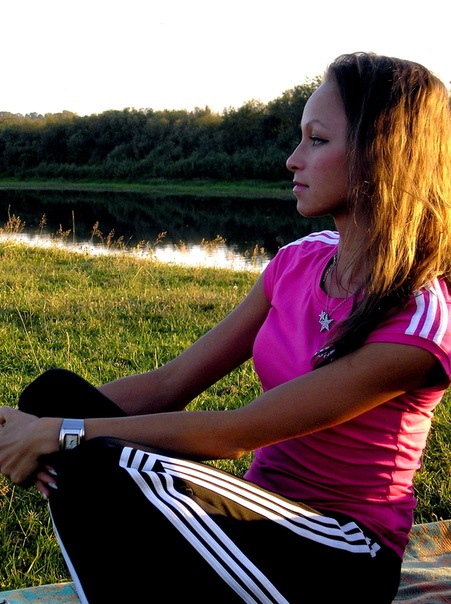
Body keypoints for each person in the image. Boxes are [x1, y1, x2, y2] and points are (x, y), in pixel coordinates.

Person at [1, 51, 450, 604]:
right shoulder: (298, 262)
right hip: (258, 518)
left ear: (382, 155)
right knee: (51, 396)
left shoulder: (419, 319)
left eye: (316, 140)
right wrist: (30, 425)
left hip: (343, 556)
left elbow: (237, 433)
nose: (292, 160)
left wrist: (64, 434)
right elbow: (171, 383)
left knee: (91, 451)